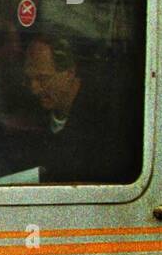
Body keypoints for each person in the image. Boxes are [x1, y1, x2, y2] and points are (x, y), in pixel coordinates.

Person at [19, 30, 137, 183]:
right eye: (29, 79)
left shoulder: (105, 119)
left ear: (70, 73)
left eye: (42, 79)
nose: (34, 89)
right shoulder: (34, 114)